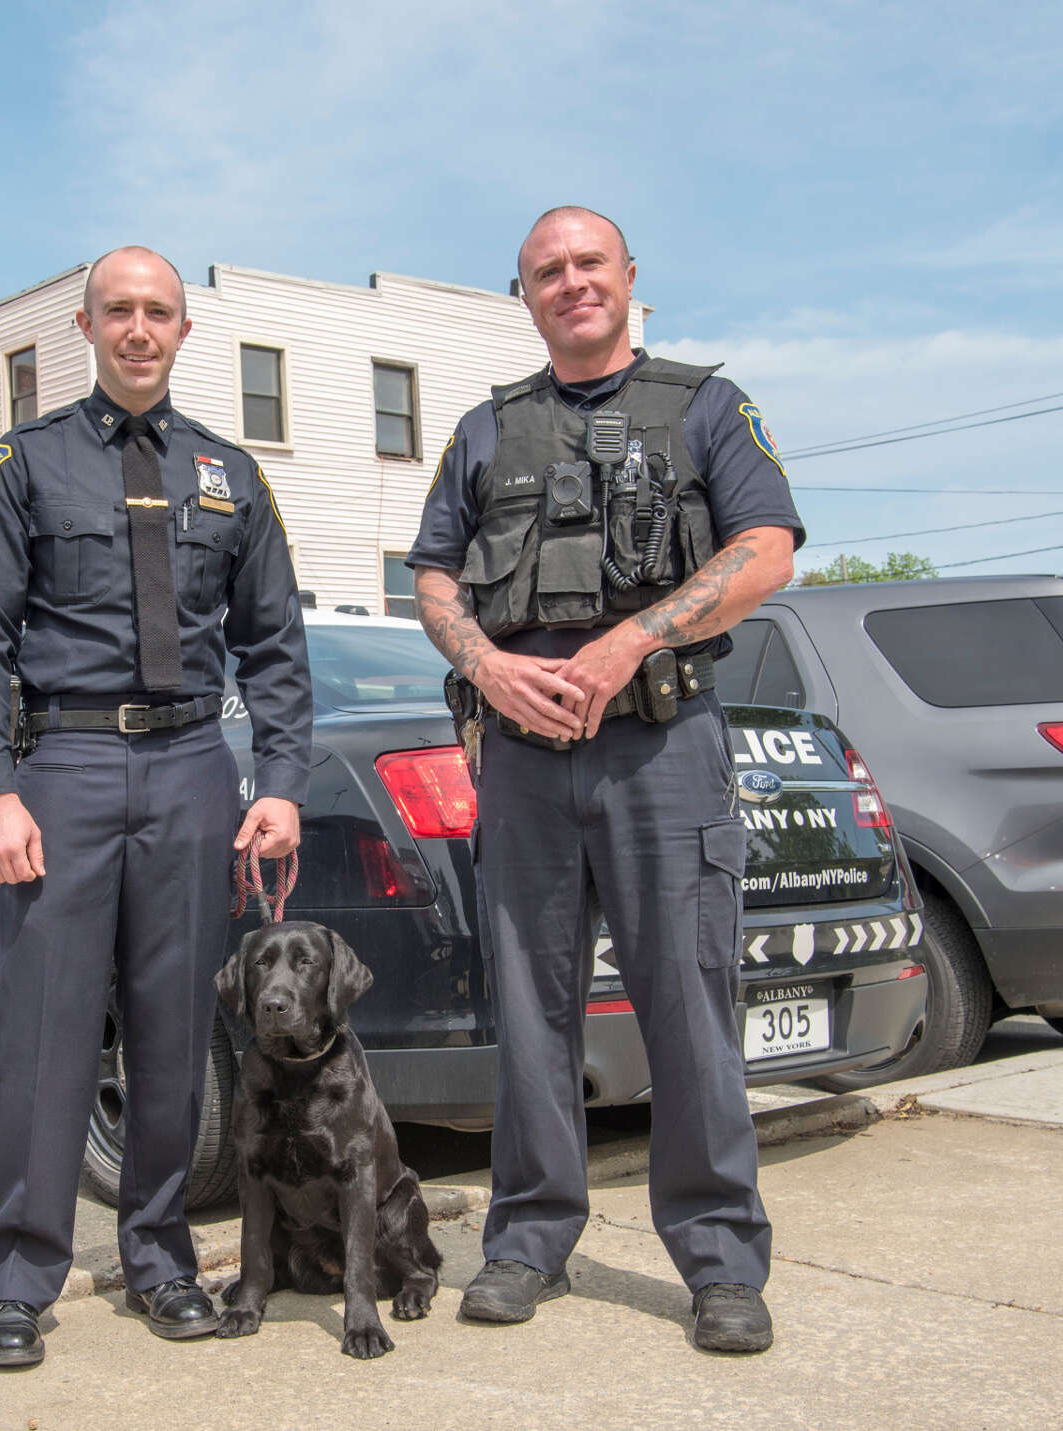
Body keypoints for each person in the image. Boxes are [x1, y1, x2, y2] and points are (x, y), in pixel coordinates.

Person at [408, 207, 802, 1355]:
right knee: (531, 1013)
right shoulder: (485, 430)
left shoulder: (709, 408)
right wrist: (486, 663)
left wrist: (633, 641)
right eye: (548, 272)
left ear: (629, 278)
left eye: (589, 264)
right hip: (526, 763)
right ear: (522, 295)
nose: (571, 283)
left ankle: (722, 1263)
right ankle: (527, 1243)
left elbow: (768, 548)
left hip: (661, 749)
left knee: (689, 1006)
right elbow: (435, 573)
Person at [0, 245, 311, 1368]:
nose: (139, 329)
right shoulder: (26, 463)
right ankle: (14, 1278)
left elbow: (275, 645)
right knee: (46, 1037)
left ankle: (161, 1257)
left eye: (159, 312)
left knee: (172, 1036)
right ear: (87, 324)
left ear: (184, 330)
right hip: (63, 770)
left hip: (193, 769)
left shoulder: (229, 473)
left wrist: (283, 784)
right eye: (120, 311)